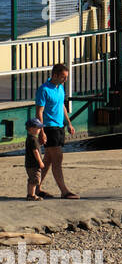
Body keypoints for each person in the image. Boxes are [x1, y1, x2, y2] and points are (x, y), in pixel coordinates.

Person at [34, 63, 78, 199]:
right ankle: (64, 191)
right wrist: (42, 132)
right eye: (63, 77)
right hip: (48, 127)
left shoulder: (60, 88)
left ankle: (36, 188)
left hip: (59, 127)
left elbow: (62, 106)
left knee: (47, 160)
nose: (65, 80)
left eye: (66, 77)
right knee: (58, 158)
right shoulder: (44, 89)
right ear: (55, 75)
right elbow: (39, 112)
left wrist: (69, 123)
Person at [24, 119, 45, 201]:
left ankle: (29, 194)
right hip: (34, 164)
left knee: (31, 179)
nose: (39, 130)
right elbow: (35, 151)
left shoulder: (28, 138)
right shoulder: (34, 139)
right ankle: (32, 195)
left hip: (28, 163)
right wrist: (40, 162)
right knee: (36, 179)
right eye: (38, 128)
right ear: (31, 129)